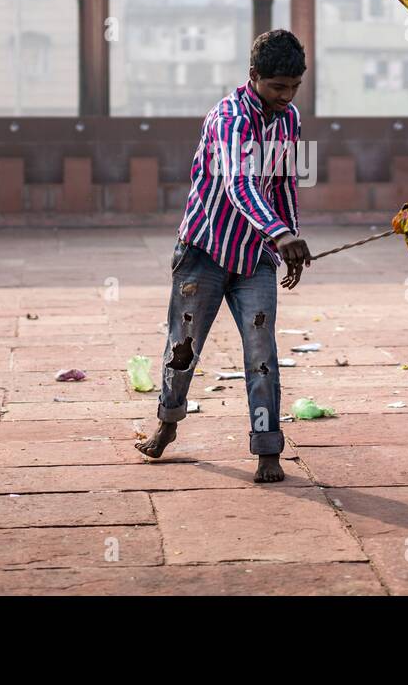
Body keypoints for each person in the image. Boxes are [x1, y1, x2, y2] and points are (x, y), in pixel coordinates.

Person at [135, 29, 313, 483]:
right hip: (204, 250)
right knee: (183, 347)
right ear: (253, 76)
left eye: (294, 86)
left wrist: (288, 237)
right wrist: (279, 233)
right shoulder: (229, 117)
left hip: (255, 256)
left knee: (262, 351)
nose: (286, 96)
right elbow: (240, 184)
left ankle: (268, 450)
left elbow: (282, 182)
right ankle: (167, 423)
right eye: (277, 86)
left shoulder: (288, 119)